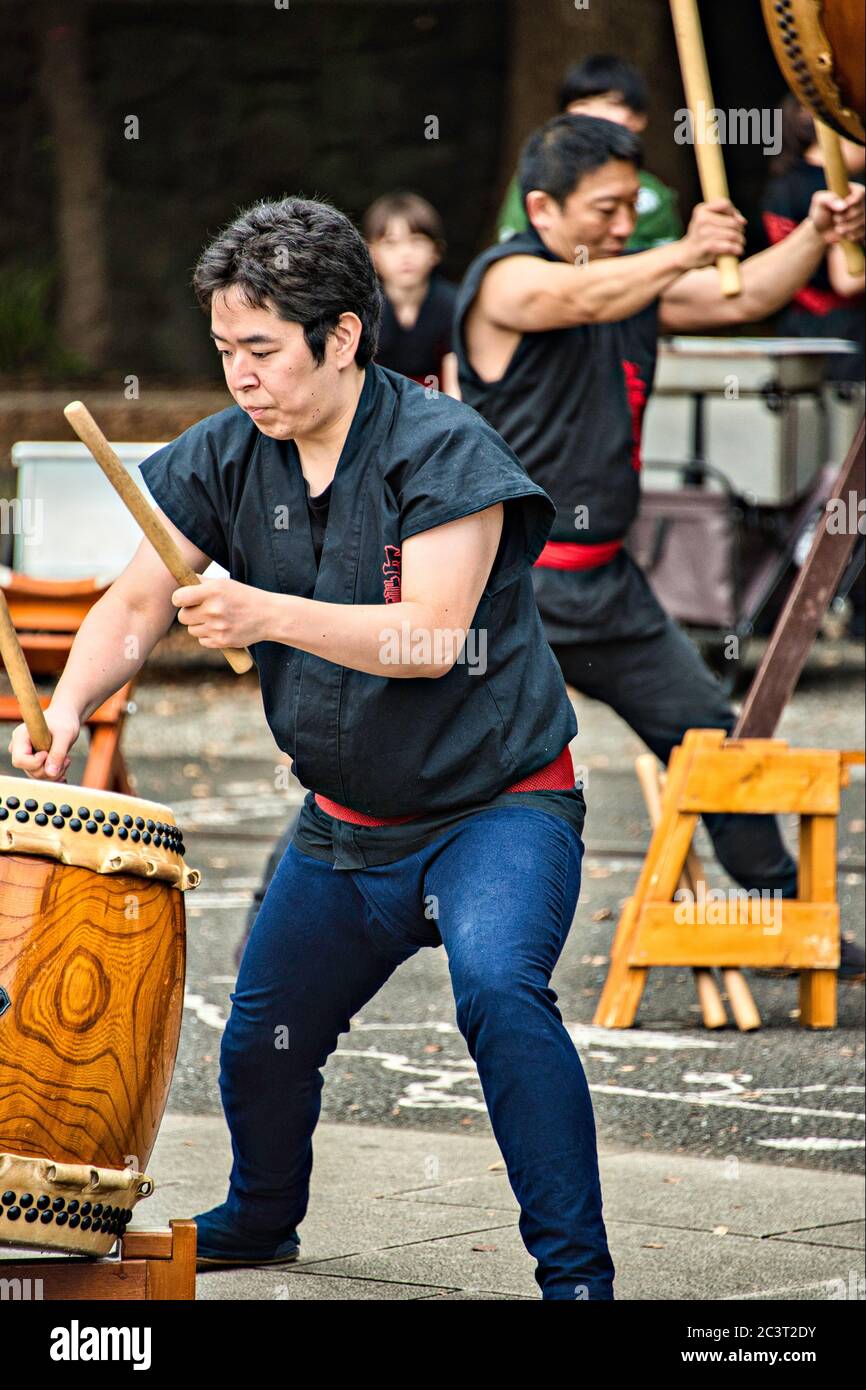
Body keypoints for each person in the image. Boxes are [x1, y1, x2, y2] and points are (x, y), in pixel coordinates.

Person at [10, 196, 616, 1299]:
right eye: (223, 351)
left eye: (261, 349)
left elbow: (432, 636)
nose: (240, 375)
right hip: (344, 826)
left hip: (496, 807)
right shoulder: (228, 453)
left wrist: (262, 612)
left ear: (341, 336)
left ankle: (575, 1275)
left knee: (498, 989)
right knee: (261, 1034)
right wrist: (67, 705)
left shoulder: (441, 444)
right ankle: (260, 1215)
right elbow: (137, 602)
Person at [456, 114, 866, 982]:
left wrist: (818, 236)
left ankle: (776, 915)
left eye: (629, 206)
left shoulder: (635, 281)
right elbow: (578, 297)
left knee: (709, 737)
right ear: (543, 208)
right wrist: (683, 248)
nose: (619, 224)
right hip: (499, 589)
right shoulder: (506, 281)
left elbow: (743, 295)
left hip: (606, 585)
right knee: (427, 753)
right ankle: (318, 906)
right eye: (603, 210)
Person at [497, 54, 682, 250]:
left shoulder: (654, 192)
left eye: (611, 104)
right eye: (583, 104)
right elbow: (513, 243)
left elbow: (666, 257)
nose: (595, 115)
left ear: (638, 118)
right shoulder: (544, 175)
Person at [761, 96, 865, 382]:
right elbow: (848, 280)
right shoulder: (840, 191)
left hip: (797, 331)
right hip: (845, 339)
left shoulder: (781, 183)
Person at [363, 191, 460, 397]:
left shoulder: (452, 304)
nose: (405, 253)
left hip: (438, 407)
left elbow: (455, 383)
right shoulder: (364, 307)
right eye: (391, 243)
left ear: (436, 251)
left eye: (416, 241)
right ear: (373, 255)